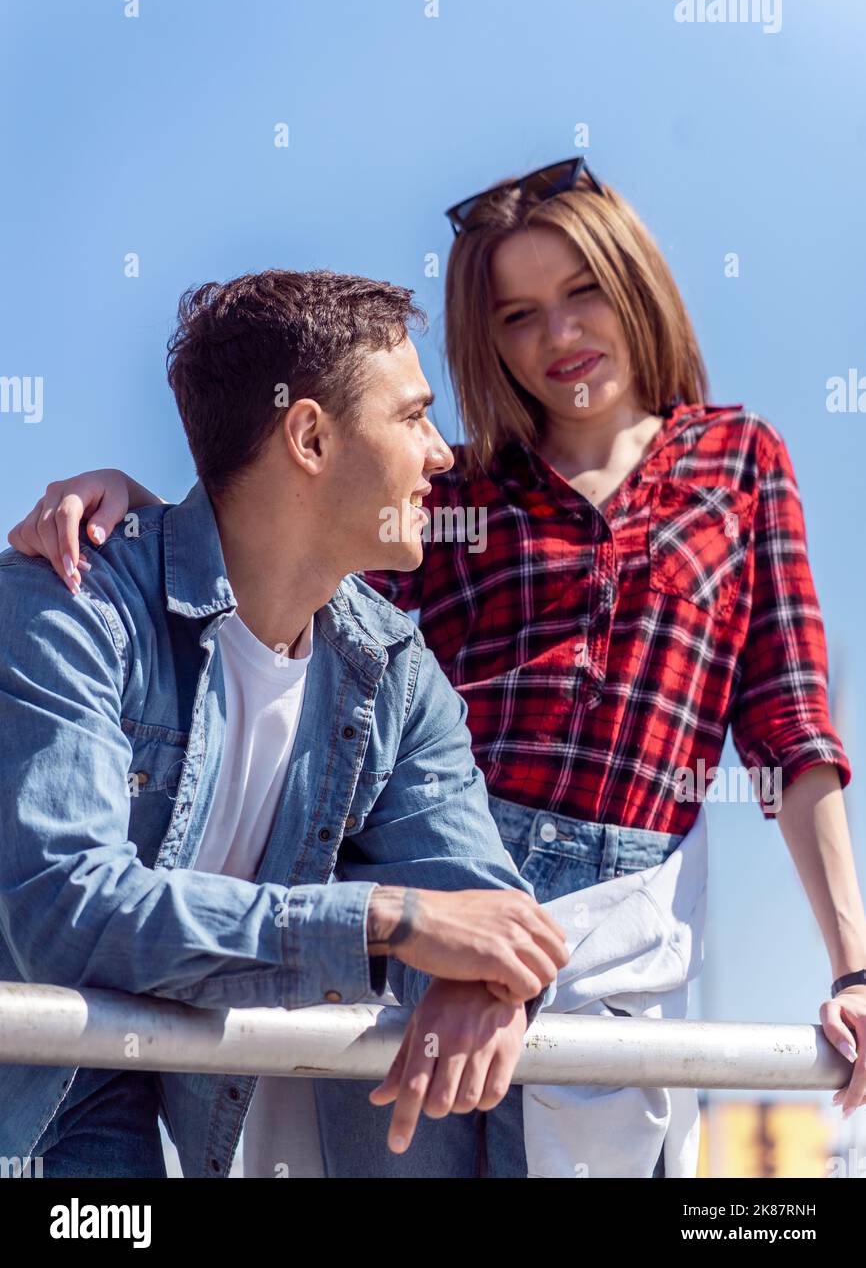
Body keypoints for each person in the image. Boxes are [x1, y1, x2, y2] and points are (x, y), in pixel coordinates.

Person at [13, 160, 866, 1177]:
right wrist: (137, 520)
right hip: (407, 901)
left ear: (634, 281)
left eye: (581, 290)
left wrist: (852, 963)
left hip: (588, 917)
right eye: (515, 313)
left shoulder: (736, 461)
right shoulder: (453, 496)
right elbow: (277, 547)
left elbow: (789, 721)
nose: (557, 336)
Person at [0, 267, 570, 1179]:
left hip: (174, 1100)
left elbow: (481, 900)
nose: (442, 453)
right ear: (308, 435)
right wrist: (389, 920)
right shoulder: (70, 601)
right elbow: (66, 910)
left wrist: (489, 977)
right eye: (414, 415)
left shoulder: (389, 670)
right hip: (38, 1089)